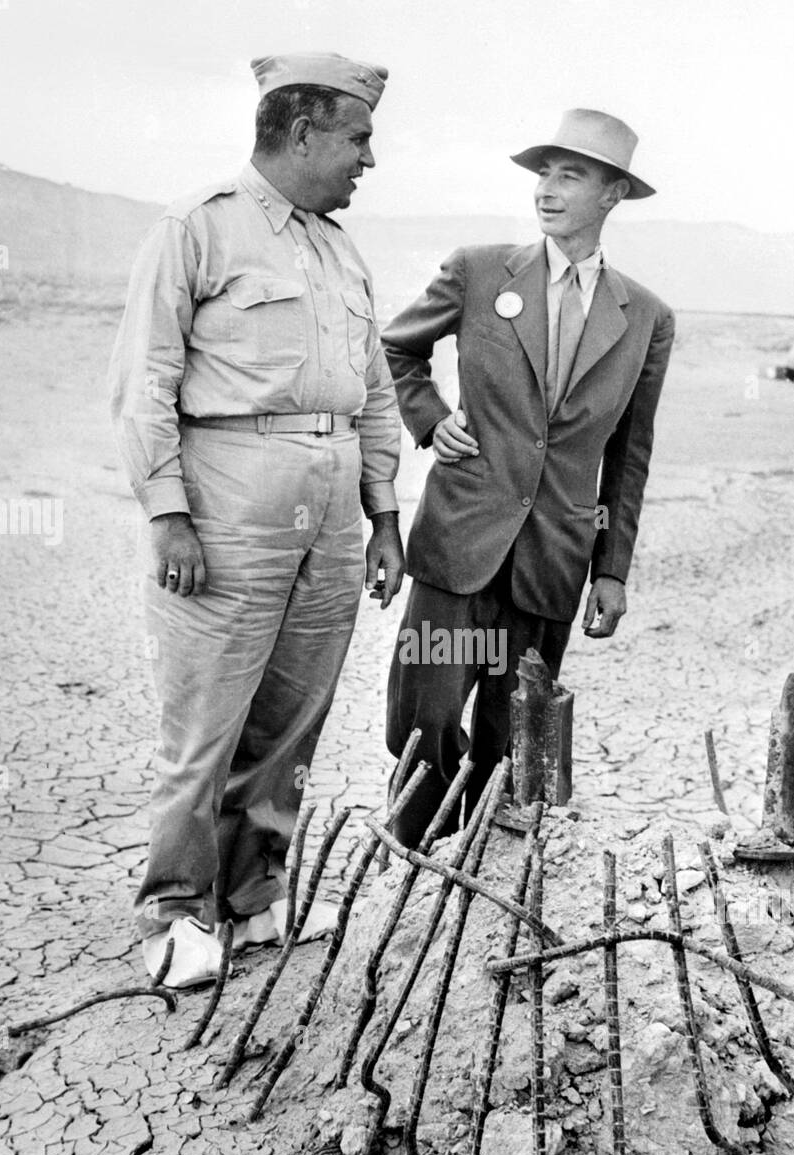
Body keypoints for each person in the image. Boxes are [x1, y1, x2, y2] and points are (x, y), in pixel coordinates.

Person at [109, 52, 404, 986]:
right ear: (304, 132)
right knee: (206, 720)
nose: (369, 159)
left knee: (292, 720)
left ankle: (253, 894)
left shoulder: (341, 251)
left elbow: (374, 393)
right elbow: (144, 382)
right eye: (358, 139)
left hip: (332, 518)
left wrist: (383, 516)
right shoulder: (197, 228)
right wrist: (168, 514)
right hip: (228, 505)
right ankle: (175, 912)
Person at [382, 109, 675, 849]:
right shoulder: (478, 271)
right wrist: (429, 418)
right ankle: (414, 864)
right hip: (460, 549)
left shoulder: (646, 317)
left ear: (613, 194)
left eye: (570, 175)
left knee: (514, 735)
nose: (547, 188)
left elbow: (629, 455)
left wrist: (612, 570)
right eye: (543, 173)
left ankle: (487, 874)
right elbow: (393, 351)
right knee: (423, 721)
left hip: (551, 564)